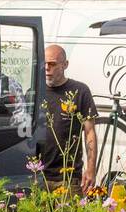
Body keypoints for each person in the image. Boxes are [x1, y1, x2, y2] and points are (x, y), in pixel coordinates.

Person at [39, 44, 97, 191]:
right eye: (44, 63)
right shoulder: (35, 91)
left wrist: (91, 169)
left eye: (52, 64)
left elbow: (90, 132)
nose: (47, 68)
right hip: (38, 175)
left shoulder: (80, 91)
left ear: (65, 65)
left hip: (68, 177)